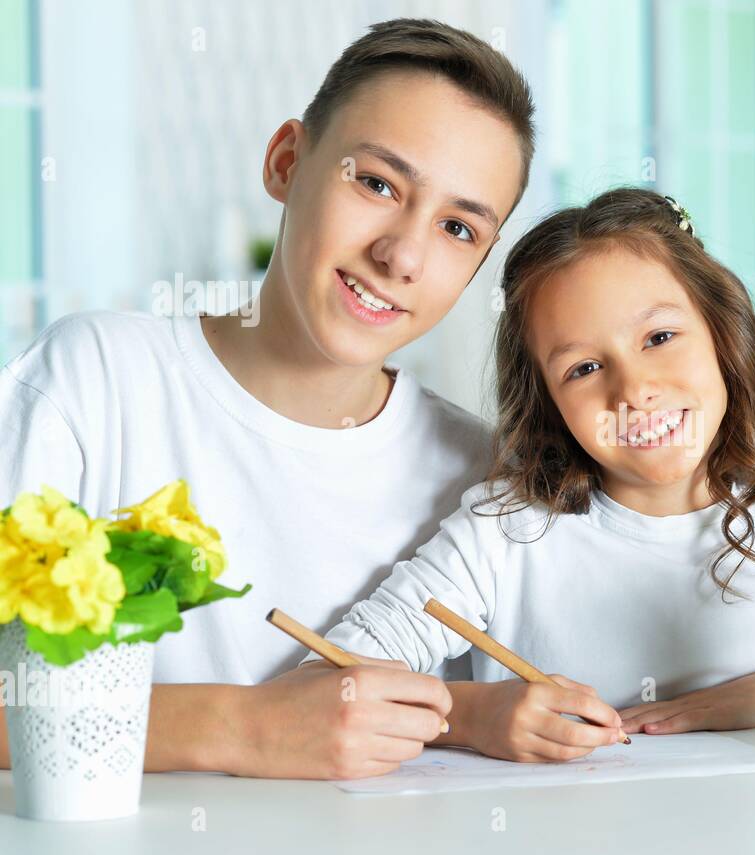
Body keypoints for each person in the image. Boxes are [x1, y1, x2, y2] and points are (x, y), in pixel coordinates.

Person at [307, 188, 755, 763]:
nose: (634, 390)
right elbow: (320, 684)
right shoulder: (503, 534)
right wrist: (470, 715)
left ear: (724, 336)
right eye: (584, 367)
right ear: (549, 402)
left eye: (660, 337)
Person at [0, 19, 533, 778]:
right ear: (286, 162)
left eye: (456, 227)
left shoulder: (481, 477)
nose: (402, 254)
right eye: (377, 183)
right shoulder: (92, 380)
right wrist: (244, 728)